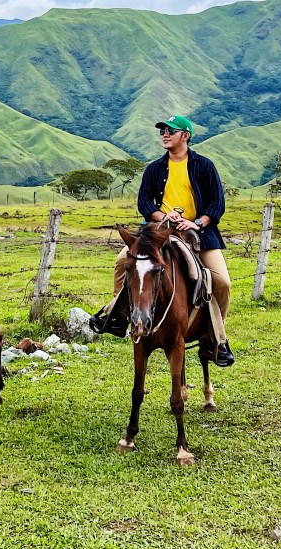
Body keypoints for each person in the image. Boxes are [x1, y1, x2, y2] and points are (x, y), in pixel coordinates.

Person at [90, 113, 235, 367]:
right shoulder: (154, 168)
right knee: (123, 259)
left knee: (222, 282)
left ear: (185, 136)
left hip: (199, 234)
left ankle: (217, 339)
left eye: (171, 131)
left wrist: (196, 222)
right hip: (159, 231)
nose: (165, 135)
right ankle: (118, 316)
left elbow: (217, 203)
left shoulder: (204, 165)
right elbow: (144, 202)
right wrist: (162, 216)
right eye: (162, 131)